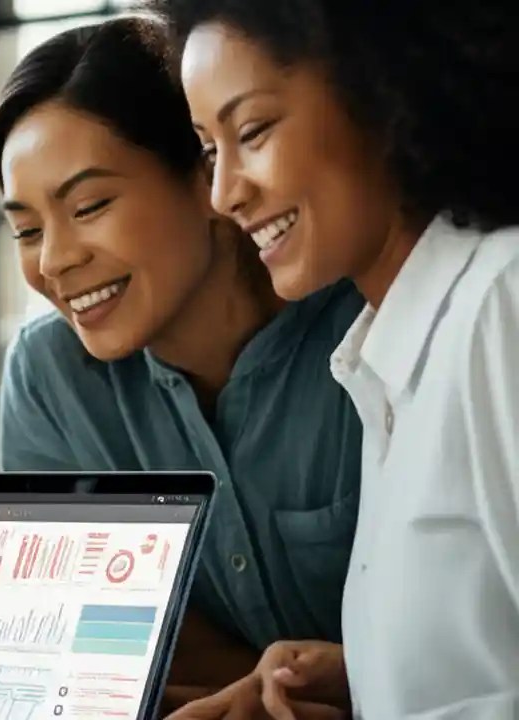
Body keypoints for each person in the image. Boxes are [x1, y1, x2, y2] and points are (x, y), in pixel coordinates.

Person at [0, 16, 365, 710]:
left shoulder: (364, 328)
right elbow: (91, 641)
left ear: (207, 175)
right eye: (28, 230)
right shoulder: (49, 380)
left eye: (90, 205)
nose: (54, 260)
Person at [164, 0, 519, 717]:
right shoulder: (384, 357)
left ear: (380, 90)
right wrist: (374, 682)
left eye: (253, 131)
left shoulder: (499, 306)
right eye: (209, 152)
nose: (225, 192)